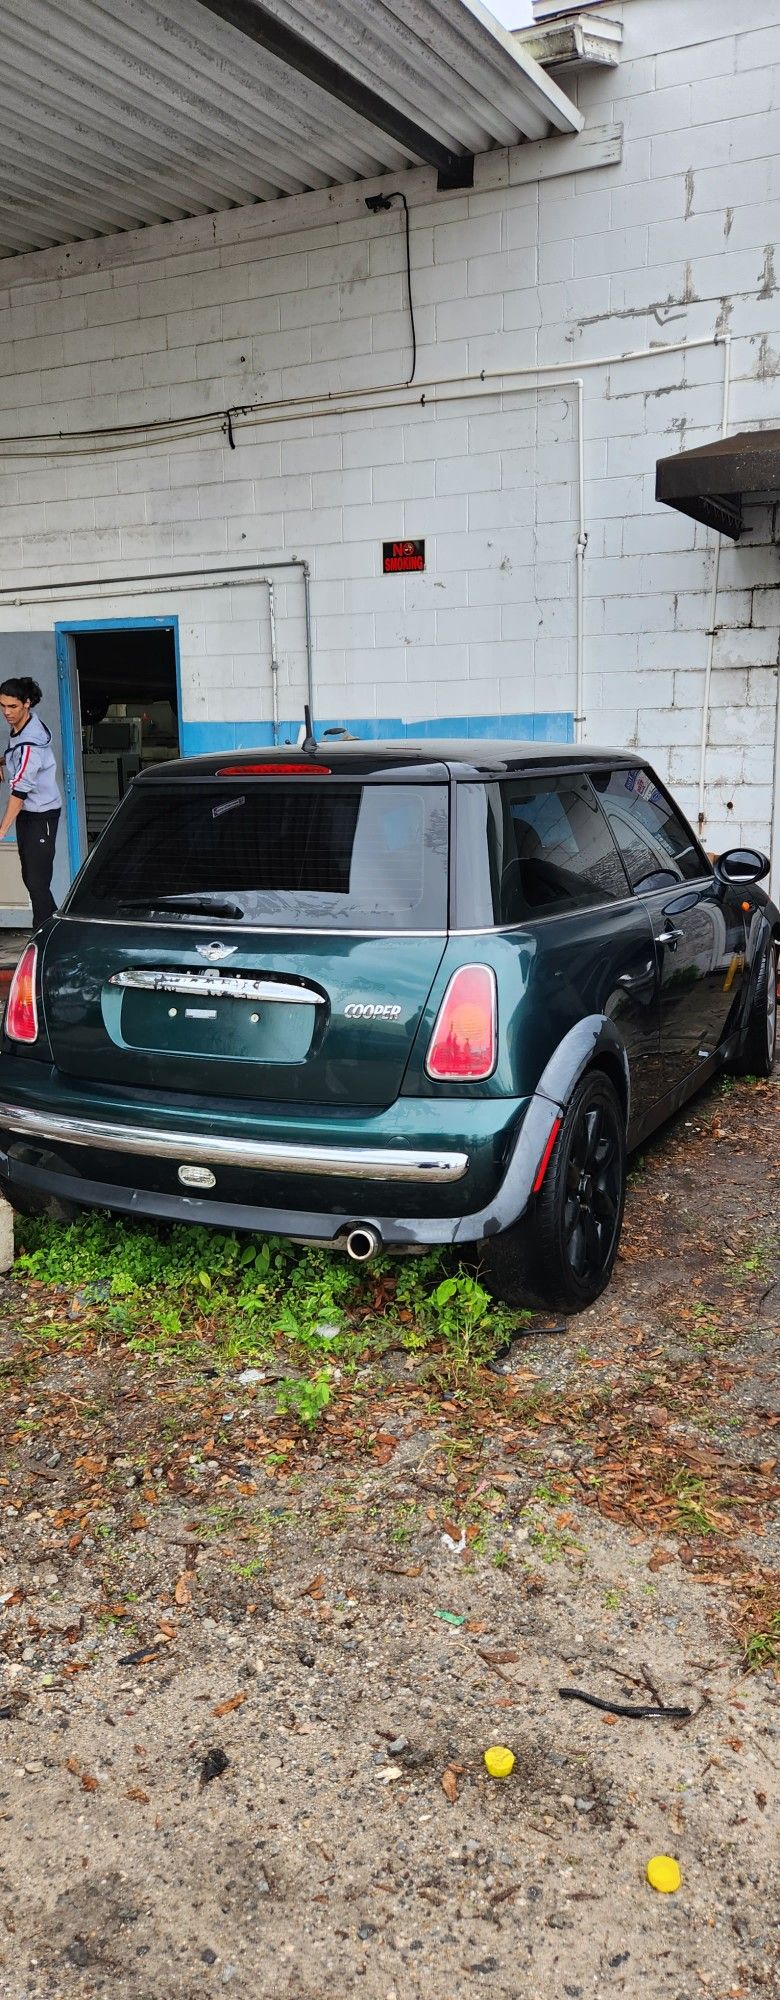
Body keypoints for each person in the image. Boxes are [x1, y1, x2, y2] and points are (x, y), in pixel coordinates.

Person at [0, 677, 62, 930]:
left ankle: (42, 933)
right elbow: (15, 752)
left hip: (42, 816)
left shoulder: (31, 745)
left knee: (37, 882)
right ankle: (57, 926)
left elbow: (20, 790)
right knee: (31, 878)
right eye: (2, 706)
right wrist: (2, 761)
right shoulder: (22, 727)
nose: (6, 712)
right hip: (28, 815)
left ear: (26, 703)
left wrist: (2, 829)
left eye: (12, 707)